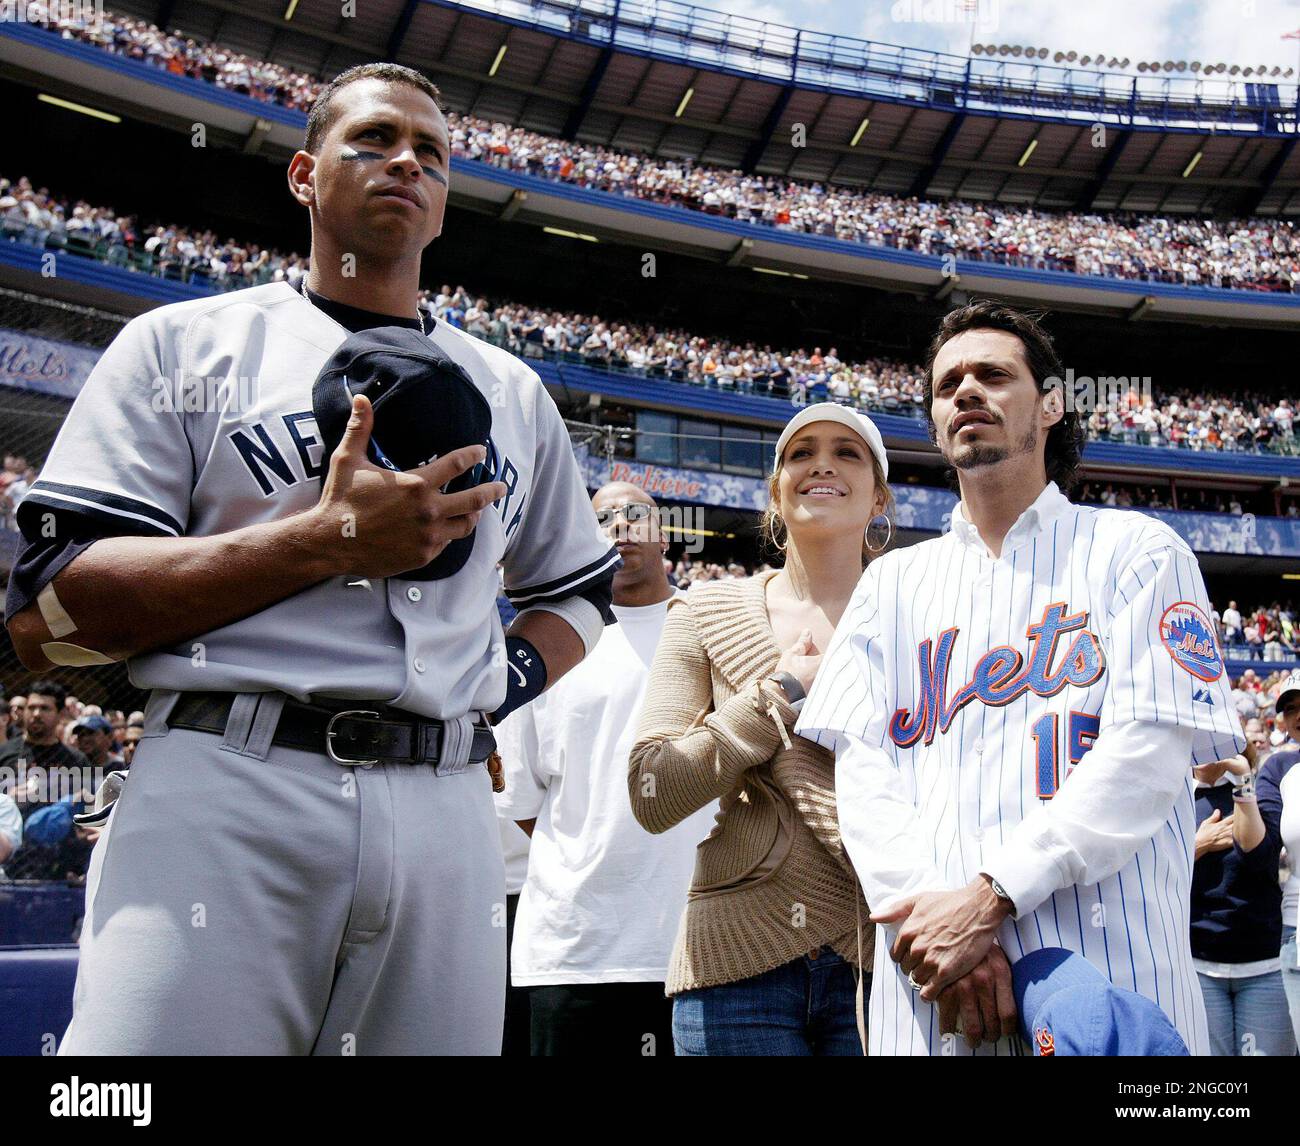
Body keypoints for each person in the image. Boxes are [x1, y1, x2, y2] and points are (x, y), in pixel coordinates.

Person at [3, 62, 619, 1055]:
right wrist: (325, 540)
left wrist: (491, 685)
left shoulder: (510, 388)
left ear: (445, 201)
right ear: (302, 175)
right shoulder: (186, 346)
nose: (405, 162)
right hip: (229, 778)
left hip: (446, 807)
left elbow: (581, 590)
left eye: (430, 152)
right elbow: (52, 611)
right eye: (372, 141)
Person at [797, 301, 1245, 1055]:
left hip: (1115, 972)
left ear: (1051, 405)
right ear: (936, 425)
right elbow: (864, 780)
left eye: (993, 375)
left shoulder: (1140, 551)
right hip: (937, 992)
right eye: (948, 385)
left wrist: (990, 895)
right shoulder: (890, 585)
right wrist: (937, 931)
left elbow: (1148, 755)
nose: (967, 391)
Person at [630, 403, 889, 1056]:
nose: (821, 463)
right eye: (800, 453)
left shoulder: (928, 619)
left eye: (846, 452)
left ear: (880, 495)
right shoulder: (704, 610)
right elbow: (651, 793)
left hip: (888, 958)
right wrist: (777, 696)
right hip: (735, 966)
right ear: (774, 491)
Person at [495, 483, 715, 1056]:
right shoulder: (546, 644)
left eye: (634, 514)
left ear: (664, 533)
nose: (619, 526)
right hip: (574, 952)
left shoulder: (717, 632)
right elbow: (522, 806)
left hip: (705, 950)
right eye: (602, 518)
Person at [1191, 739, 1295, 1056]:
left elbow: (1259, 857)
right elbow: (1153, 869)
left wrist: (1242, 782)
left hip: (1264, 965)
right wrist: (1197, 845)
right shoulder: (1175, 795)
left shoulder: (1260, 787)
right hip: (1199, 966)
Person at [1259, 670, 1300, 1045]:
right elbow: (1262, 848)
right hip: (1295, 930)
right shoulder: (1279, 768)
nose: (1298, 715)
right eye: (1290, 709)